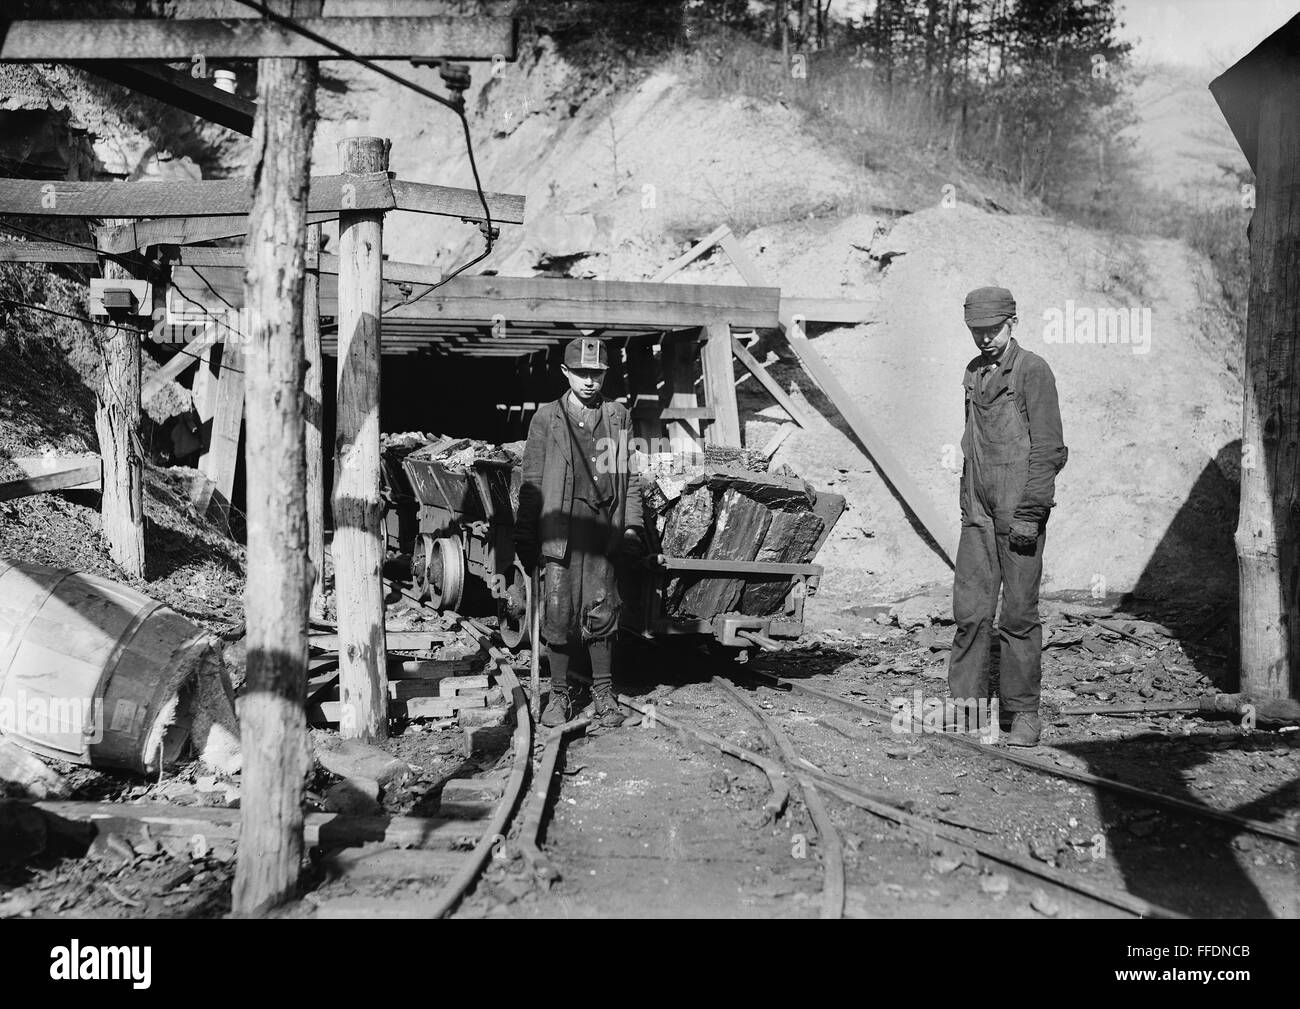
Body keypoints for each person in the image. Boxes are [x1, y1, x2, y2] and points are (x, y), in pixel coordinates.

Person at [948, 286, 1067, 746]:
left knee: (1017, 613)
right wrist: (967, 503)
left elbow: (1049, 449)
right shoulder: (973, 372)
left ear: (1012, 323)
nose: (983, 340)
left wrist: (1031, 512)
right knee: (971, 611)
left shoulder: (1033, 371)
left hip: (1019, 510)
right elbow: (970, 446)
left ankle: (1023, 715)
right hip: (977, 510)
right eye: (976, 332)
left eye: (992, 330)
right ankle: (966, 709)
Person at [515, 337, 647, 729]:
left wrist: (632, 526)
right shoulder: (545, 418)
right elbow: (532, 479)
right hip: (560, 530)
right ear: (565, 373)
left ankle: (604, 696)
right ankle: (559, 695)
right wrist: (525, 533)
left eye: (597, 374)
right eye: (582, 373)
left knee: (603, 611)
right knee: (558, 612)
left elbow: (630, 477)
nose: (589, 381)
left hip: (601, 532)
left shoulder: (618, 416)